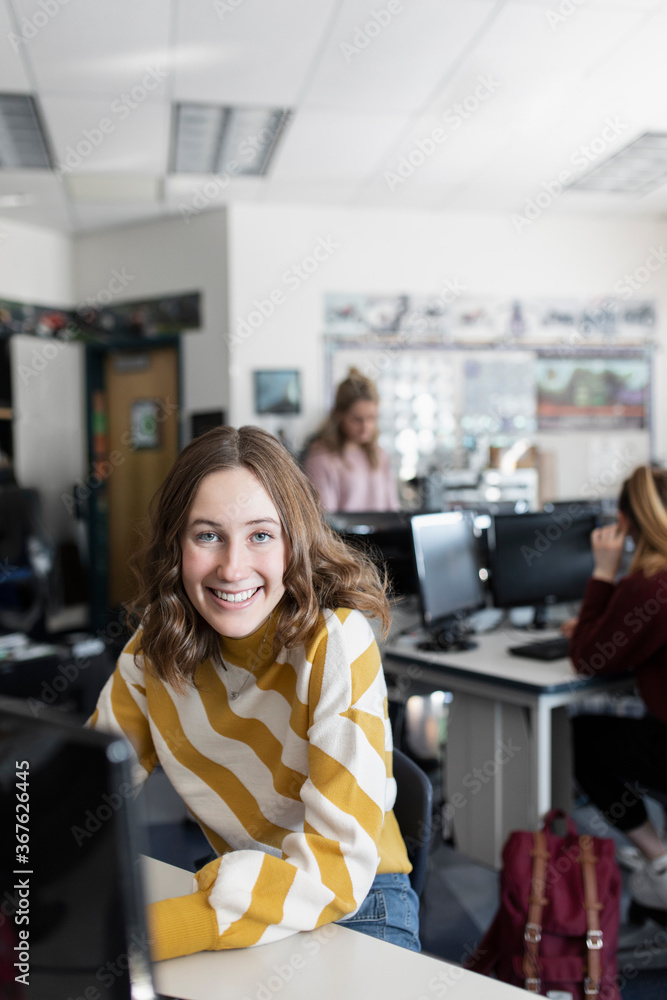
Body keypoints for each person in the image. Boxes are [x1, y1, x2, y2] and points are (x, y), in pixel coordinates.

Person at [88, 425, 418, 960]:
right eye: (207, 535)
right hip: (246, 893)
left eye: (260, 535)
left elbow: (335, 871)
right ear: (177, 543)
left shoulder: (335, 641)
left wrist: (144, 935)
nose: (233, 567)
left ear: (295, 541)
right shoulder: (153, 653)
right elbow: (77, 794)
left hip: (356, 901)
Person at [569, 465, 667, 914]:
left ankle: (658, 857)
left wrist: (604, 573)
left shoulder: (649, 582)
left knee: (582, 738)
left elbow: (589, 658)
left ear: (625, 521)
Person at [303, 368, 399, 512]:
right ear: (339, 415)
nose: (365, 427)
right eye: (357, 419)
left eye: (372, 418)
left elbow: (393, 509)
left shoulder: (380, 455)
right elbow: (325, 523)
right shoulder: (321, 458)